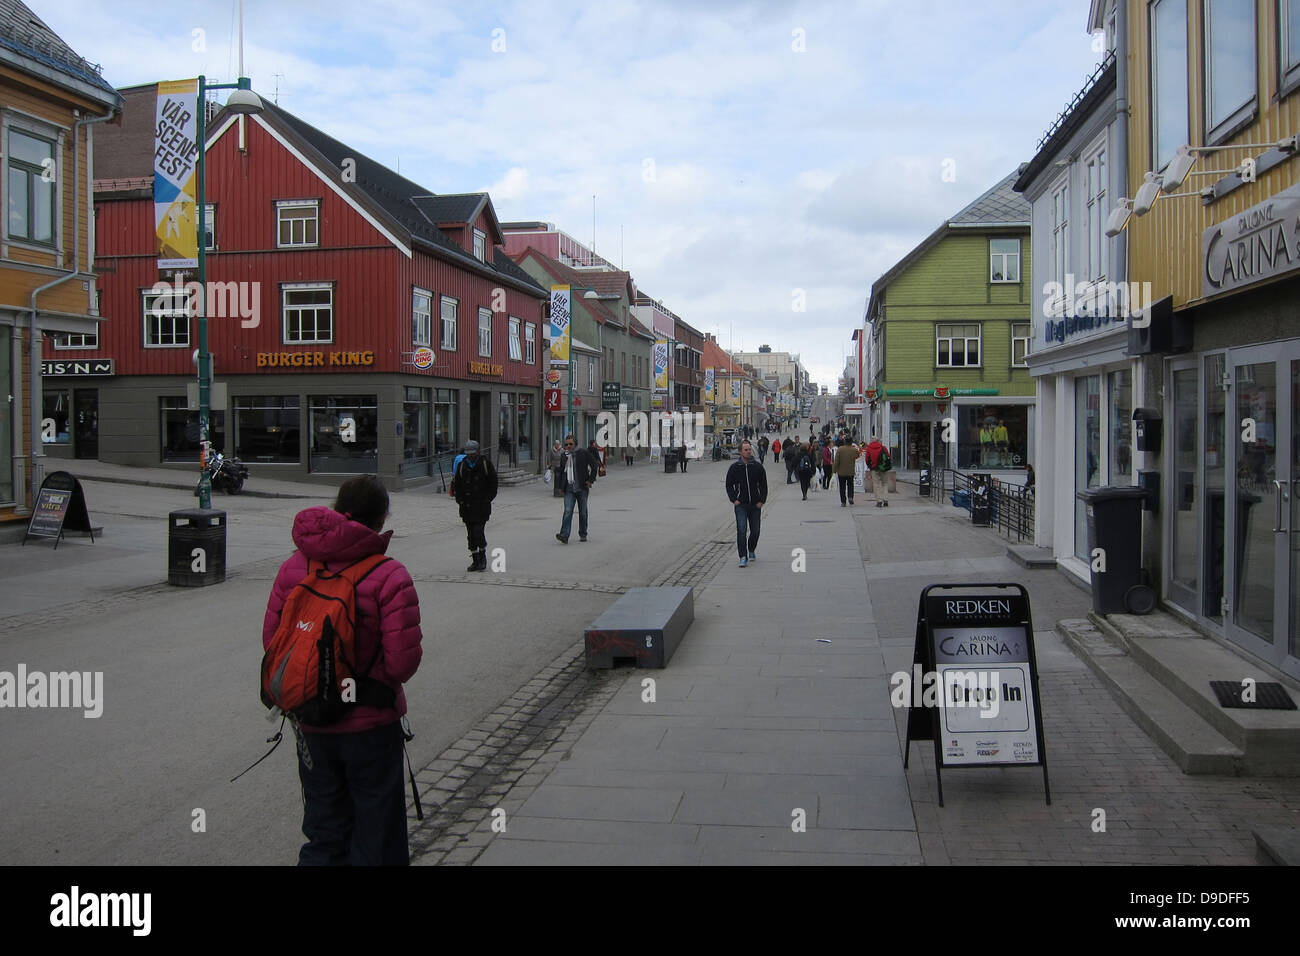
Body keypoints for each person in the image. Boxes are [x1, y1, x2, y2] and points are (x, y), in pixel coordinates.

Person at [262, 475, 422, 865]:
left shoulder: (294, 567)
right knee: (376, 831)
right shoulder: (389, 574)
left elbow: (273, 642)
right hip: (370, 726)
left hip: (312, 720)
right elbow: (401, 663)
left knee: (325, 829)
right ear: (381, 518)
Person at [453, 439, 498, 571]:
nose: (470, 455)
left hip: (481, 506)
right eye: (468, 453)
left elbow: (493, 483)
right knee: (470, 534)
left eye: (472, 453)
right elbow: (457, 485)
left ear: (478, 452)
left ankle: (482, 557)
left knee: (478, 531)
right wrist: (459, 499)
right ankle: (475, 559)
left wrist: (488, 499)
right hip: (466, 506)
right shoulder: (462, 465)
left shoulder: (485, 464)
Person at [726, 439, 767, 567]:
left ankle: (751, 549)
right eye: (746, 450)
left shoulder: (757, 466)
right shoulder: (734, 468)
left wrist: (762, 500)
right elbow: (729, 485)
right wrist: (734, 499)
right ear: (740, 452)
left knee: (755, 530)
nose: (749, 452)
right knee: (741, 530)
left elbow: (764, 485)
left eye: (749, 449)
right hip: (741, 505)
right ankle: (742, 556)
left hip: (755, 505)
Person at [557, 434, 598, 543]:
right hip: (569, 489)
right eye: (566, 444)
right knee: (567, 511)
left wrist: (590, 480)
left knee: (583, 512)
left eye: (571, 444)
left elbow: (594, 465)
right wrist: (561, 487)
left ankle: (583, 533)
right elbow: (561, 472)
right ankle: (564, 535)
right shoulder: (564, 456)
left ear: (575, 444)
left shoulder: (583, 453)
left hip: (582, 488)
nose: (568, 446)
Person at [863, 434, 891, 507]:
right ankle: (885, 500)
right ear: (878, 441)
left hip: (874, 469)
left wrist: (870, 466)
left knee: (876, 484)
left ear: (871, 441)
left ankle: (879, 501)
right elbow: (888, 456)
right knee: (885, 483)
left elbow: (866, 459)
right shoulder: (883, 448)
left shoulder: (869, 448)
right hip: (883, 468)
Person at [834, 436, 859, 506]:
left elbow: (836, 461)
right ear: (851, 442)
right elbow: (857, 455)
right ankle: (850, 497)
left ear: (845, 442)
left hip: (841, 471)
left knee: (842, 487)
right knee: (850, 485)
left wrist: (834, 470)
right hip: (850, 471)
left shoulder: (840, 449)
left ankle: (843, 501)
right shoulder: (854, 449)